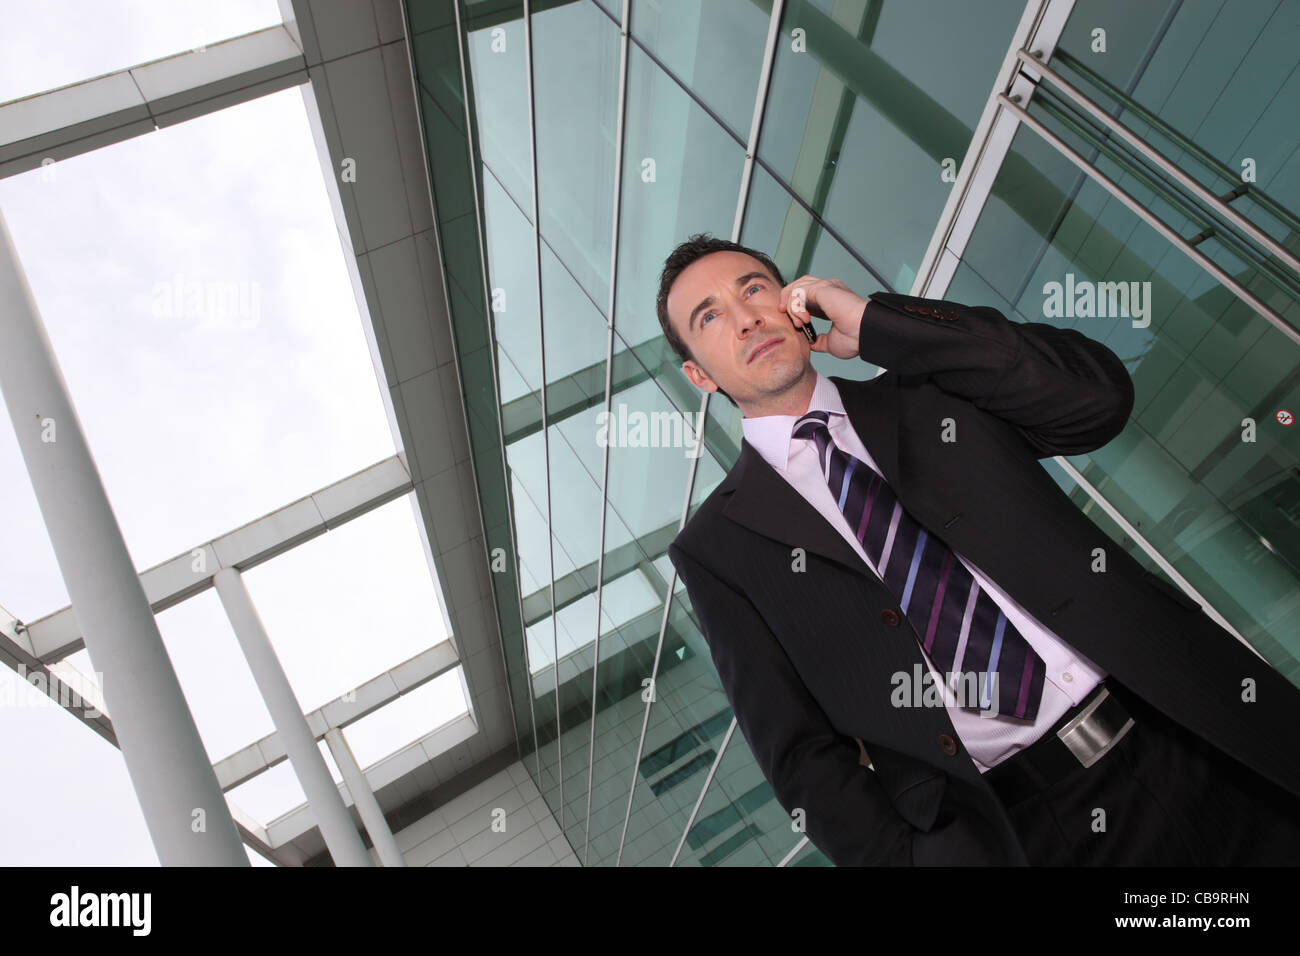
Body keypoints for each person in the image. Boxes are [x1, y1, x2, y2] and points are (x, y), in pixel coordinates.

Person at [659, 233, 1300, 865]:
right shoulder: (719, 546)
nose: (745, 319)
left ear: (795, 304)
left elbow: (1097, 400)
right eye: (710, 316)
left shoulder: (932, 394)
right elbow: (800, 755)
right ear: (698, 374)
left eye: (754, 289)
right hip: (1040, 829)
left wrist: (885, 325)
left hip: (1195, 725)